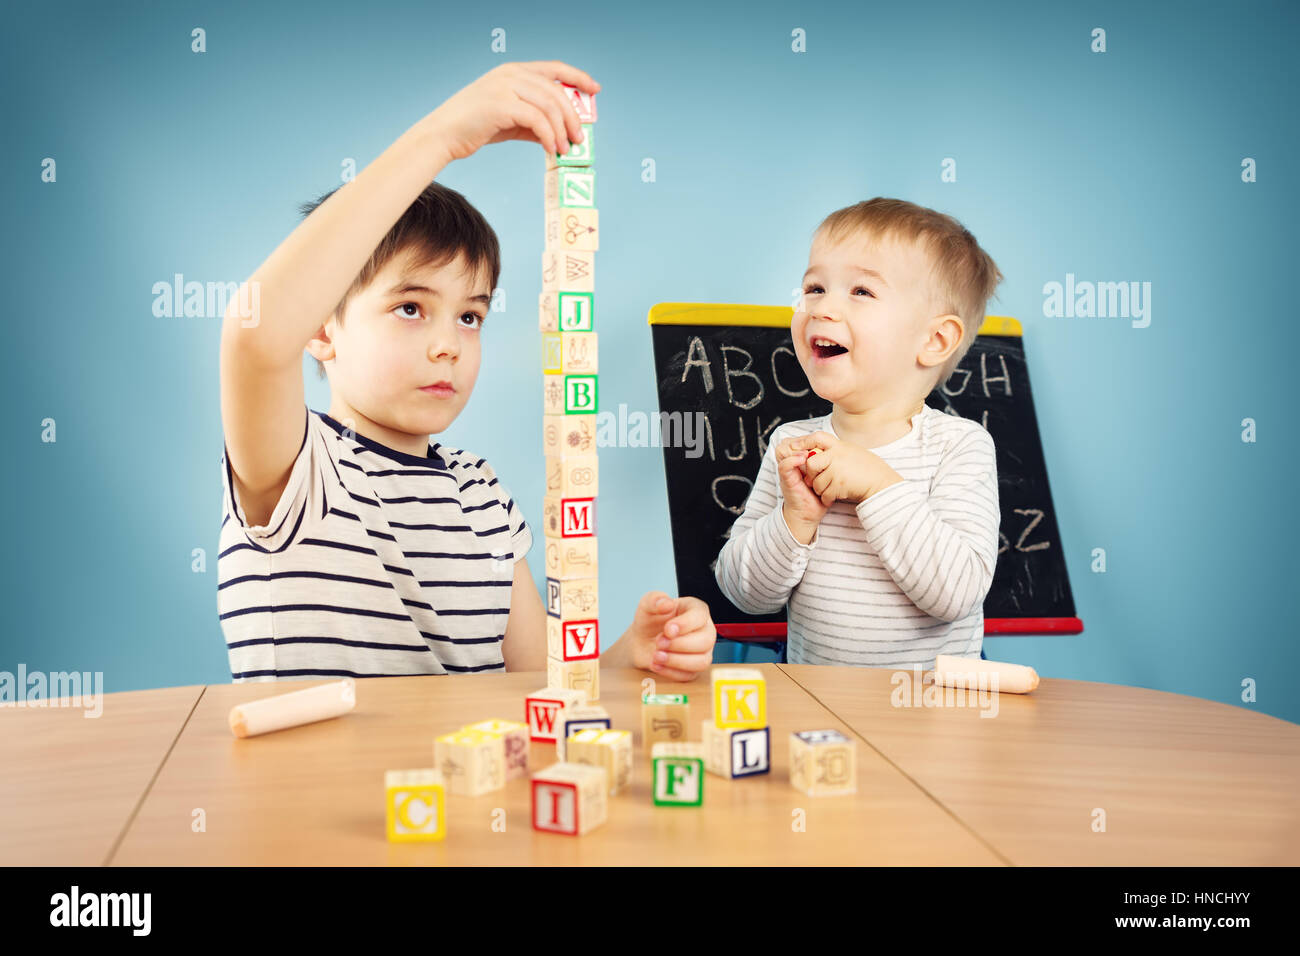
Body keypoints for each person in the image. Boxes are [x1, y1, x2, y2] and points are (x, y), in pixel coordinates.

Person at [218, 61, 716, 681]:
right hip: (318, 781)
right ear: (321, 328)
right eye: (410, 308)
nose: (447, 345)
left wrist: (631, 658)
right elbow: (255, 337)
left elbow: (537, 684)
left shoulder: (483, 500)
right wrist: (443, 138)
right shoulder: (299, 470)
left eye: (470, 317)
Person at [714, 198, 1003, 667]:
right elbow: (744, 593)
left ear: (934, 340)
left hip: (933, 719)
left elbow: (956, 595)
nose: (822, 308)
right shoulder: (792, 445)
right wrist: (794, 521)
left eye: (861, 292)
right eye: (814, 287)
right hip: (817, 713)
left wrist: (878, 486)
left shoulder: (960, 446)